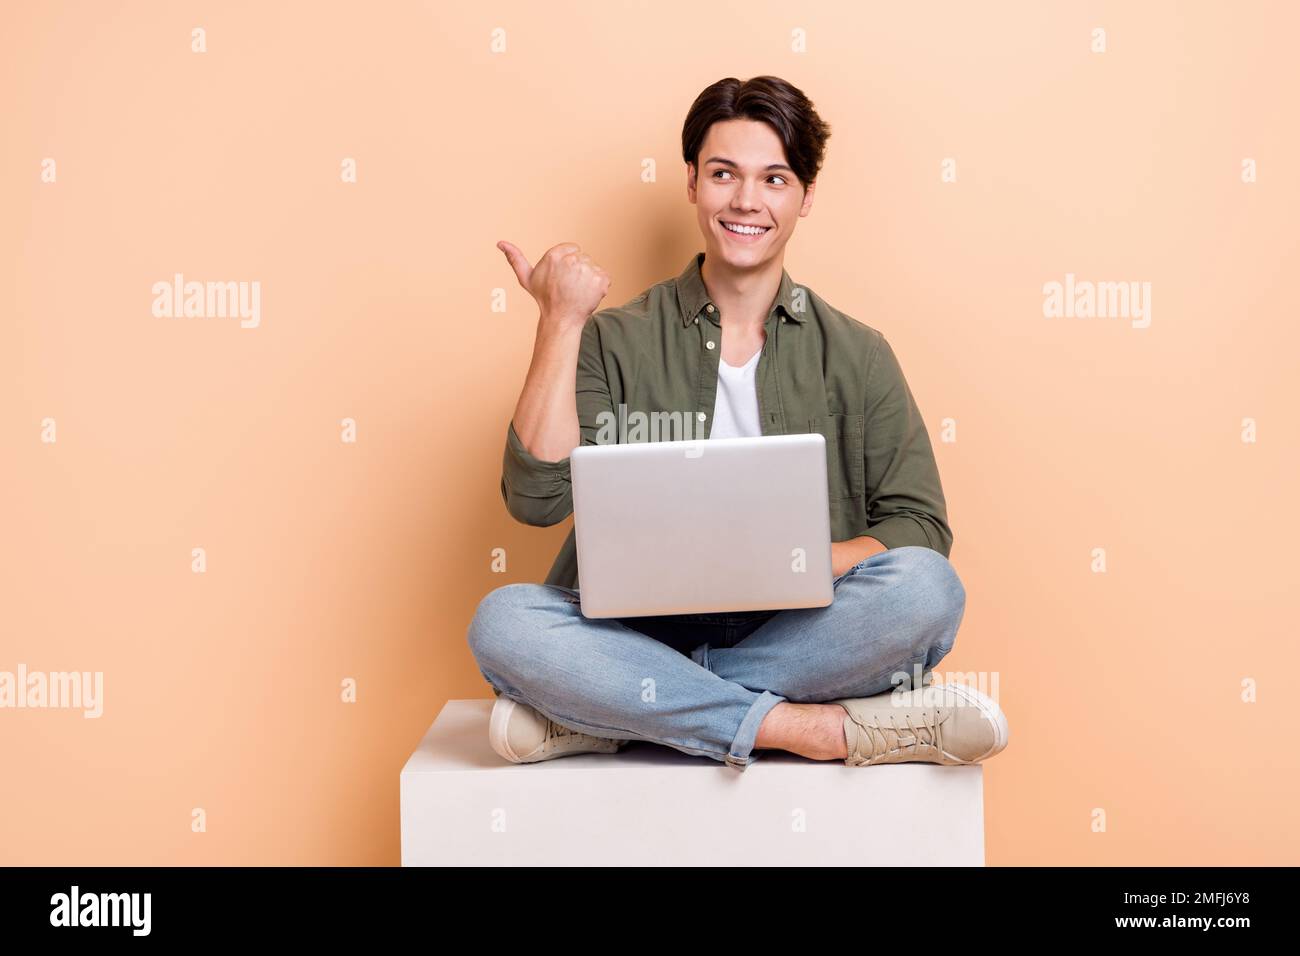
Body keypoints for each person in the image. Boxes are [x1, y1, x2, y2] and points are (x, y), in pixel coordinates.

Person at [467, 75, 1008, 771]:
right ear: (693, 182)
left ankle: (618, 711)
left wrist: (810, 561)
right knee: (505, 622)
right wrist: (561, 321)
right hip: (633, 628)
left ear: (806, 196)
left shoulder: (859, 353)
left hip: (798, 629)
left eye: (775, 179)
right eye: (724, 174)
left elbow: (919, 528)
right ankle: (807, 729)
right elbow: (536, 501)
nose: (747, 201)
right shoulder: (613, 338)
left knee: (928, 591)